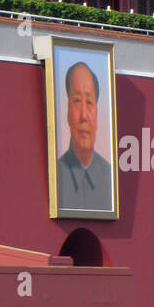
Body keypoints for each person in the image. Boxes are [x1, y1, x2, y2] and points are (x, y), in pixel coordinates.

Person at [57, 60, 113, 211]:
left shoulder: (110, 178)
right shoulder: (56, 175)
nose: (84, 116)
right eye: (76, 101)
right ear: (67, 112)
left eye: (89, 102)